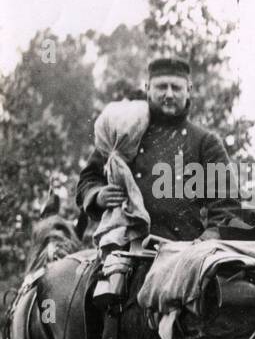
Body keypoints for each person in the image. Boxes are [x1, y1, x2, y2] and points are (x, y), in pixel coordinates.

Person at [77, 57, 235, 242]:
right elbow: (88, 180)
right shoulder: (125, 131)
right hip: (125, 247)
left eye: (176, 88)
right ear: (147, 89)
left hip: (181, 253)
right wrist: (98, 196)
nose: (169, 95)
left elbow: (227, 207)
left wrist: (204, 242)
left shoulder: (205, 143)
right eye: (161, 87)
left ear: (189, 91)